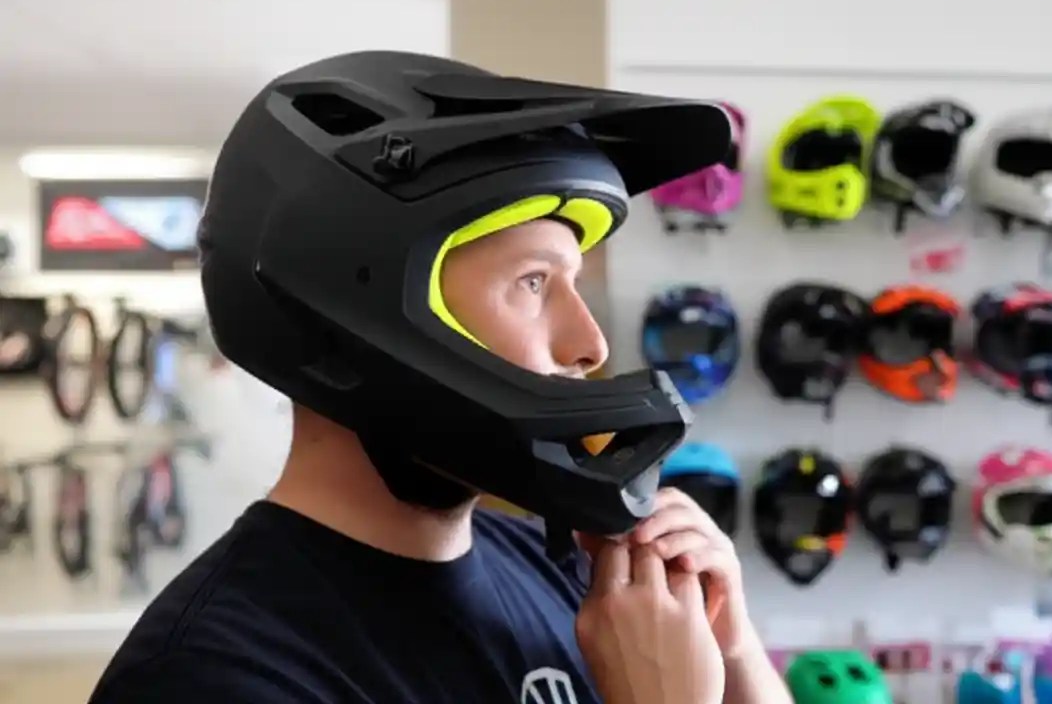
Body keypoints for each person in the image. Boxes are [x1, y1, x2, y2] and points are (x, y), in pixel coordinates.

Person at [87, 51, 793, 704]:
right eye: (533, 283)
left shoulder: (570, 572)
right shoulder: (209, 674)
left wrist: (734, 651)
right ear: (354, 308)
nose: (590, 342)